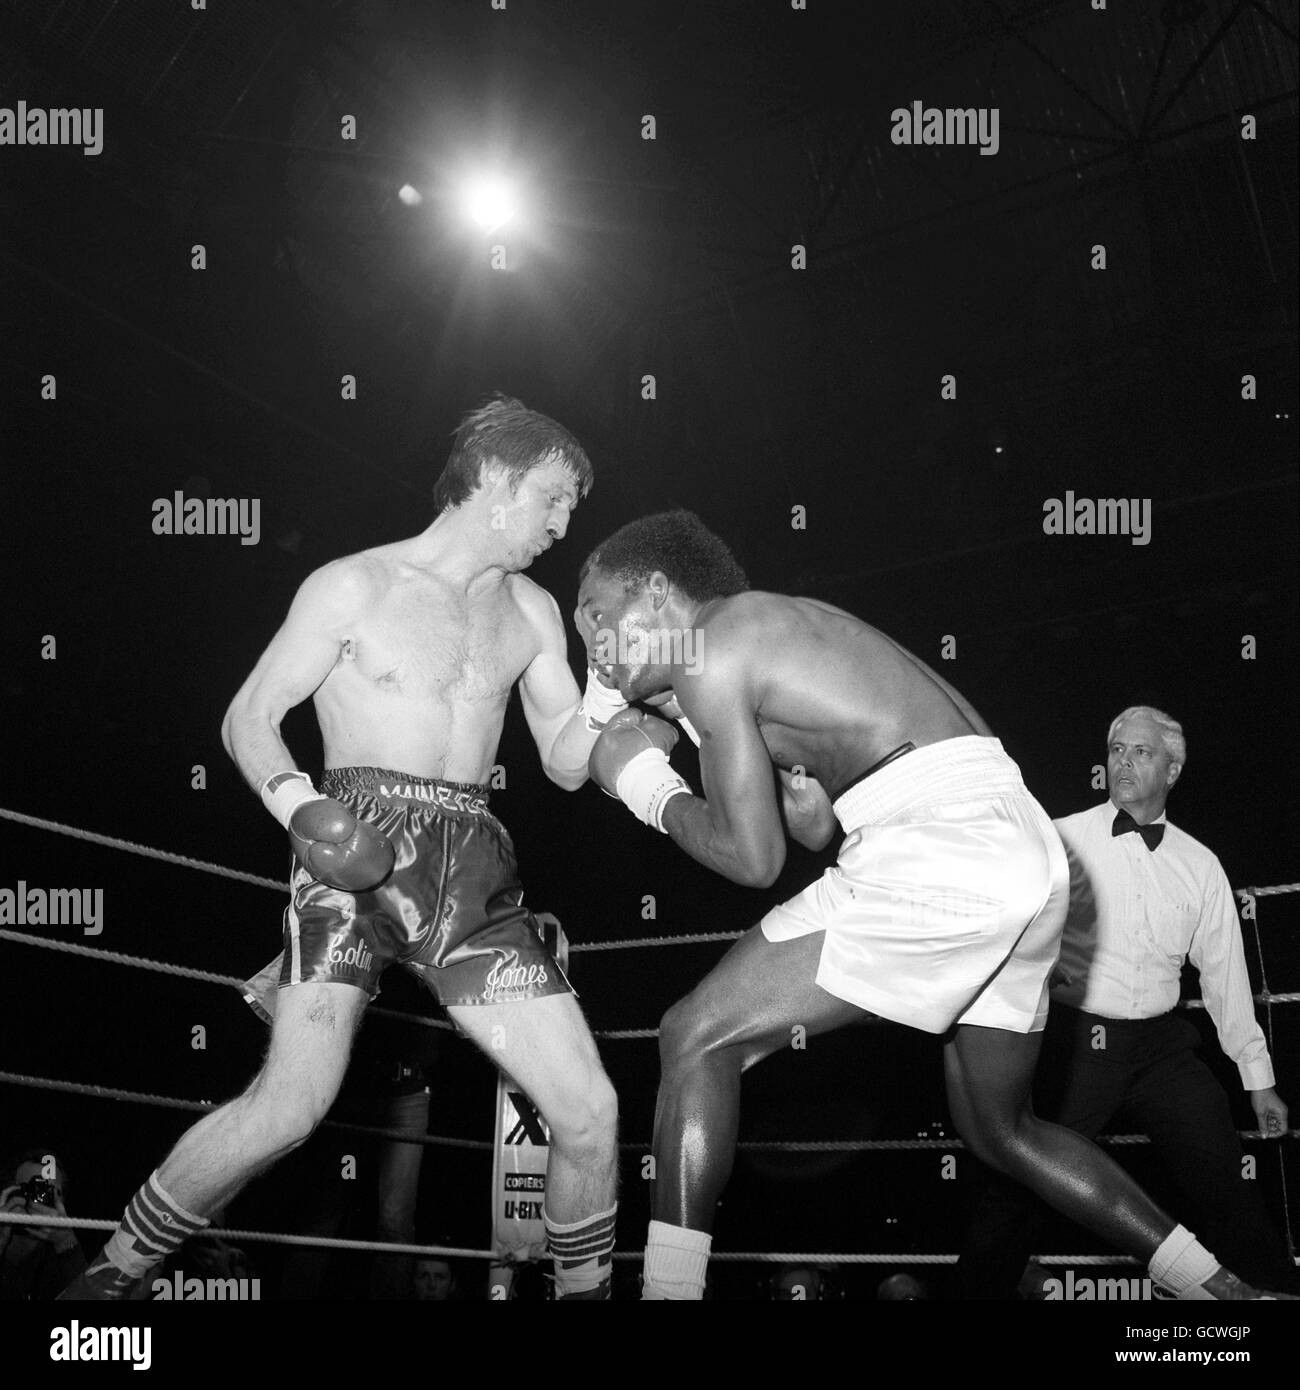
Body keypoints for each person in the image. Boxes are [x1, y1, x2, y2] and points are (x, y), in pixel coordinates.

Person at [575, 509, 1287, 1301]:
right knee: (1003, 1131)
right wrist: (789, 795)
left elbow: (753, 859)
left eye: (598, 618)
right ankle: (1223, 1291)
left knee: (694, 1035)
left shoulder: (709, 647)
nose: (594, 651)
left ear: (656, 589)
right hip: (1023, 851)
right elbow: (810, 822)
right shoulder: (775, 635)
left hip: (944, 848)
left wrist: (645, 786)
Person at [64, 397, 624, 1301]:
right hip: (352, 847)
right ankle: (109, 1277)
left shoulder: (533, 612)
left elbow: (562, 759)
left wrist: (625, 708)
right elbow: (251, 716)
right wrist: (302, 811)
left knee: (589, 1112)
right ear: (494, 477)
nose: (564, 526)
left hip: (476, 869)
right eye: (555, 499)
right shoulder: (352, 586)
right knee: (290, 1108)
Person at [955, 707, 1297, 1297]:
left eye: (1141, 751)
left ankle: (1272, 1294)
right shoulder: (1059, 839)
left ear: (1173, 769)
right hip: (1078, 1043)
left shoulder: (1200, 865)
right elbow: (993, 910)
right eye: (1116, 750)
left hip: (1162, 1048)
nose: (1124, 761)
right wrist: (1036, 964)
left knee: (1222, 1176)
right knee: (1025, 1182)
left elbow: (1225, 980)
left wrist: (1258, 1079)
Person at [0, 1149, 85, 1299]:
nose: (41, 1197)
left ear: (62, 1202)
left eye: (50, 1192)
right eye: (34, 1188)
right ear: (9, 1193)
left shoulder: (63, 1256)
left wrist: (67, 1244)